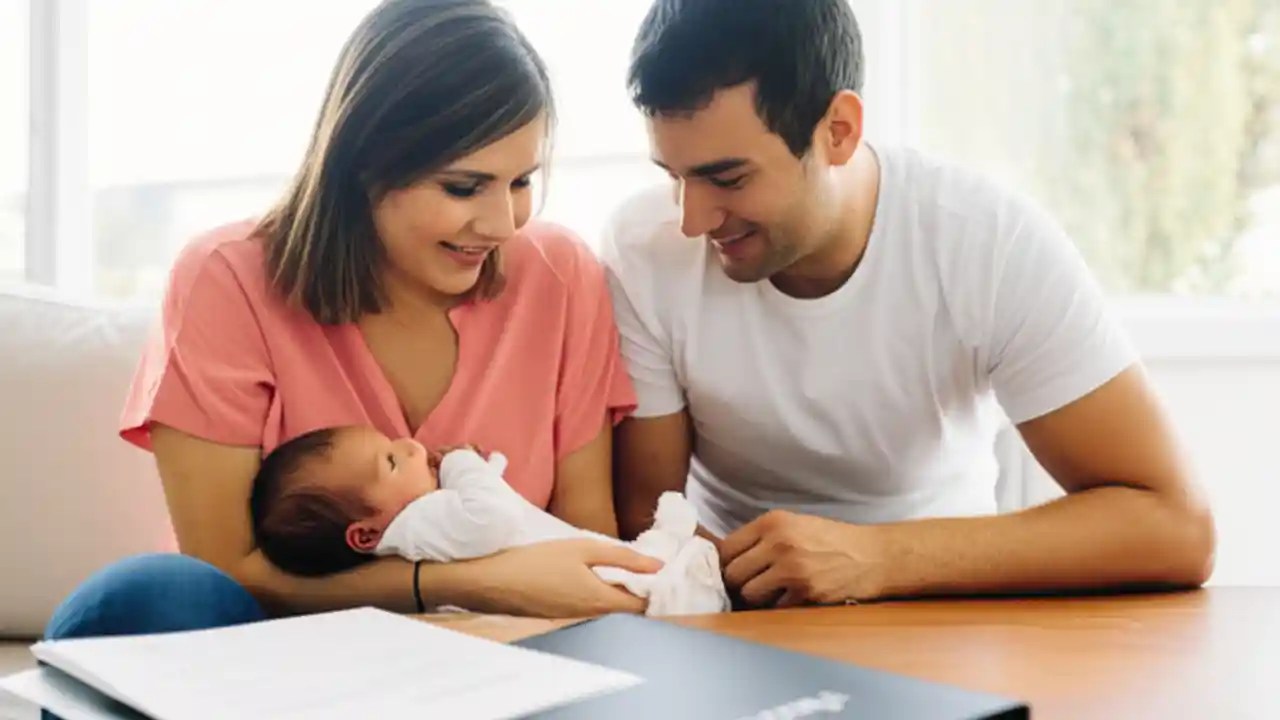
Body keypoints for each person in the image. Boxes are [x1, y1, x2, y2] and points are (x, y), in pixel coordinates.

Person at [44, 0, 662, 648]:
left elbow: (587, 536)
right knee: (146, 596)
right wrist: (463, 581)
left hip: (509, 655)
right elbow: (228, 569)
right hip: (284, 653)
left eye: (520, 182)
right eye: (462, 187)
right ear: (366, 161)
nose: (503, 223)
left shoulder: (559, 274)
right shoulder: (225, 280)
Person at [605, 0, 1216, 609]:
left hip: (942, 609)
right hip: (736, 611)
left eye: (729, 180)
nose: (691, 220)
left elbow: (1176, 527)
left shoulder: (985, 242)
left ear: (837, 131)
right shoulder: (645, 248)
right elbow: (647, 517)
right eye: (673, 176)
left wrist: (876, 559)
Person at [248, 425, 728, 615]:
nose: (413, 447)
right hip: (630, 590)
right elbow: (494, 518)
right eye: (393, 462)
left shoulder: (425, 526)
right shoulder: (418, 523)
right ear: (366, 534)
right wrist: (460, 462)